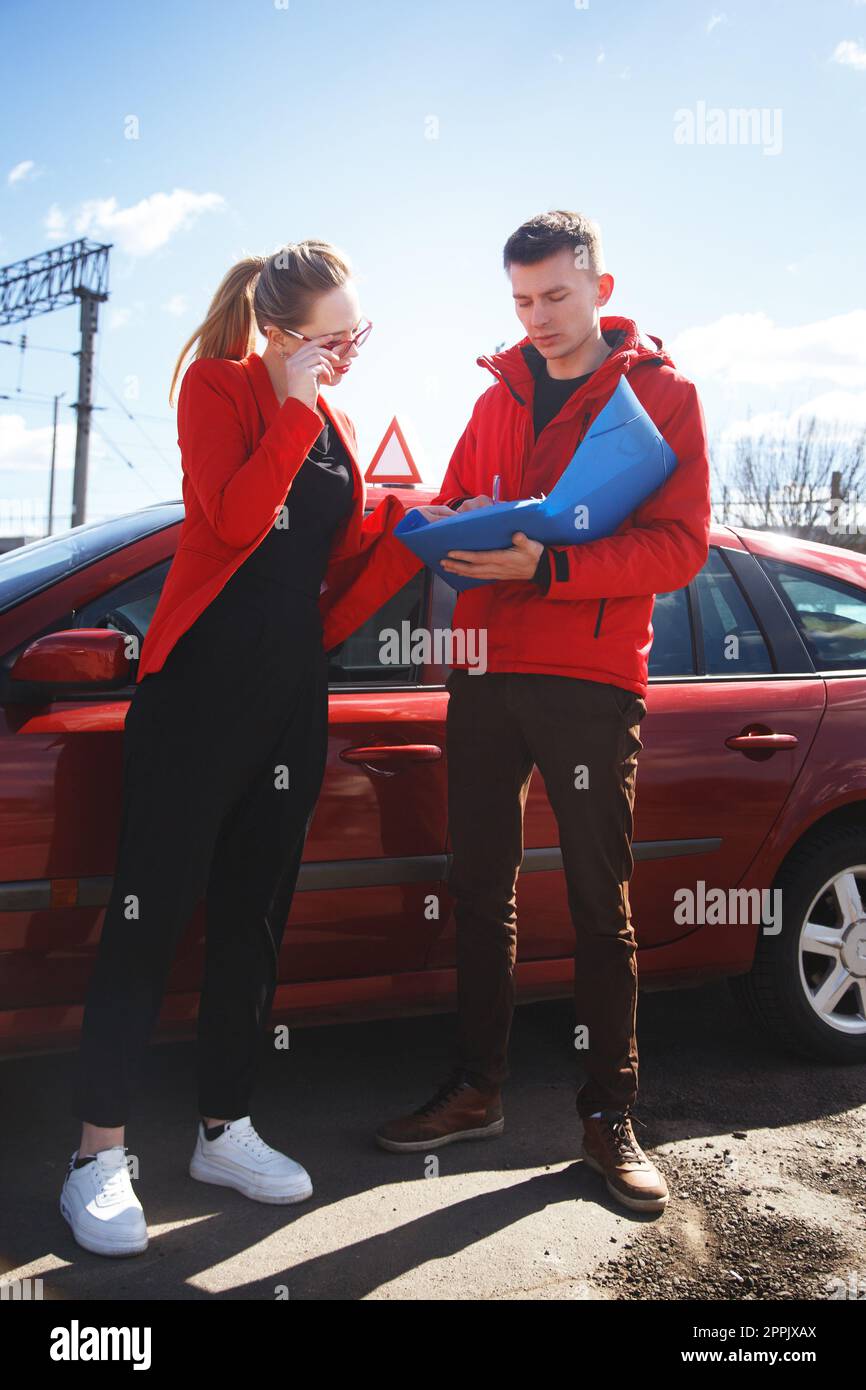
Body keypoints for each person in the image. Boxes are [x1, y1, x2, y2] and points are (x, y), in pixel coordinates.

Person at [61, 239, 425, 1256]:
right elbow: (228, 520)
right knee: (149, 913)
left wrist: (426, 524)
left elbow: (332, 560)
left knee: (253, 918)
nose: (347, 354)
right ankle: (96, 1155)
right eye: (330, 339)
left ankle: (224, 1129)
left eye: (357, 335)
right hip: (198, 691)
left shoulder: (336, 422)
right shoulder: (219, 390)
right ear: (276, 331)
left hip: (289, 698)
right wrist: (296, 405)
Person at [375, 210, 712, 1214]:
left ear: (600, 289)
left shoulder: (663, 395)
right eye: (521, 301)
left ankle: (609, 1117)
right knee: (478, 888)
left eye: (555, 296)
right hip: (483, 671)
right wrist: (442, 523)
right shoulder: (495, 397)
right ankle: (475, 1090)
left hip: (591, 677)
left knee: (599, 901)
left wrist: (551, 567)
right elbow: (453, 500)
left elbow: (681, 546)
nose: (537, 318)